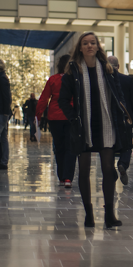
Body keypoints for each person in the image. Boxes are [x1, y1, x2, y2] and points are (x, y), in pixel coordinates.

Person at [58, 33, 132, 229]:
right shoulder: (73, 71)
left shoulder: (108, 69)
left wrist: (123, 115)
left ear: (98, 46)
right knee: (83, 170)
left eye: (93, 43)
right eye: (85, 43)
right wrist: (74, 118)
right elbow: (62, 100)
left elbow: (119, 96)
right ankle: (89, 214)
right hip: (83, 127)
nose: (89, 46)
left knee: (108, 168)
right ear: (80, 48)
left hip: (106, 125)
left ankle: (109, 214)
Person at [37, 54, 75, 189]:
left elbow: (44, 98)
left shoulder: (53, 79)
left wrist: (38, 116)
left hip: (55, 117)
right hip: (71, 116)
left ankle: (61, 177)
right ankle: (68, 178)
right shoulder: (75, 79)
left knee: (59, 147)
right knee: (70, 148)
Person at [107, 56, 133, 185]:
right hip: (125, 118)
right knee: (127, 145)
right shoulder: (127, 80)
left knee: (109, 146)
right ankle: (123, 164)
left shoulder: (103, 79)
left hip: (108, 119)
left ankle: (111, 170)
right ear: (118, 66)